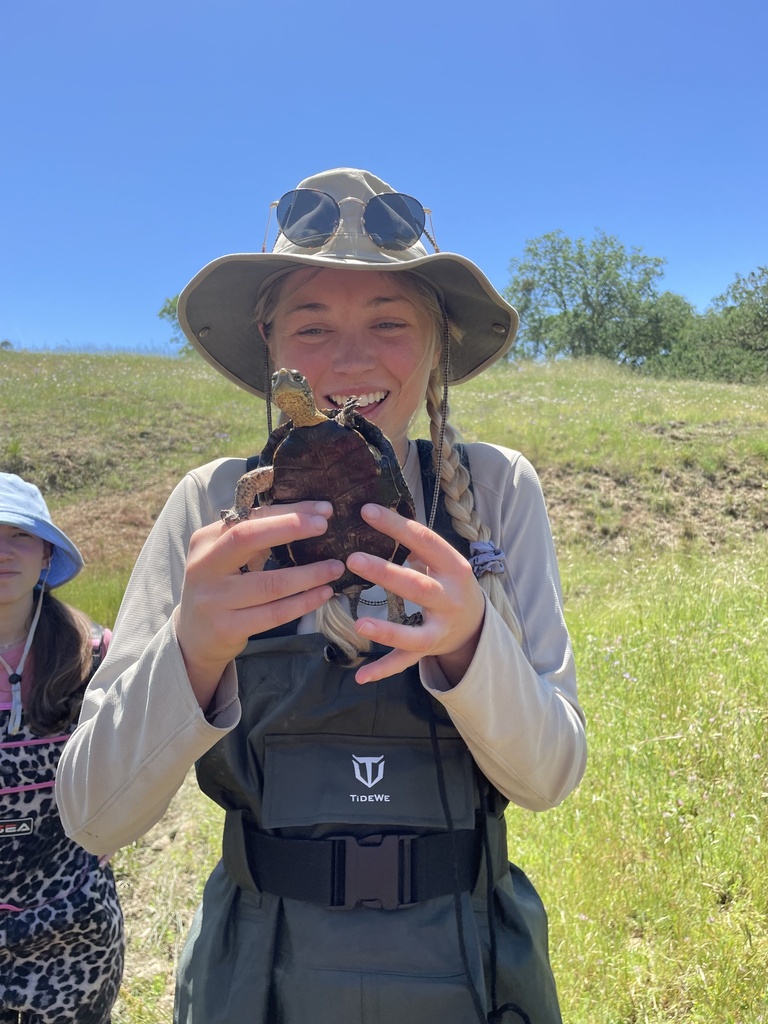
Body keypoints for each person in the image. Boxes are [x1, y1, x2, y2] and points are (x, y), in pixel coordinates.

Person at [57, 167, 587, 1024]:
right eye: (312, 325)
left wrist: (468, 642)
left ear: (437, 345)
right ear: (270, 346)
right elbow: (92, 816)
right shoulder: (210, 507)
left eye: (389, 321)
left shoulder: (492, 492)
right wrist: (193, 652)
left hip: (470, 967)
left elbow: (548, 778)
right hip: (259, 975)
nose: (349, 359)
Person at [0, 473, 124, 1024]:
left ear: (46, 551)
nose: (3, 551)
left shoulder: (95, 654)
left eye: (19, 535)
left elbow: (134, 764)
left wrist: (107, 839)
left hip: (71, 919)